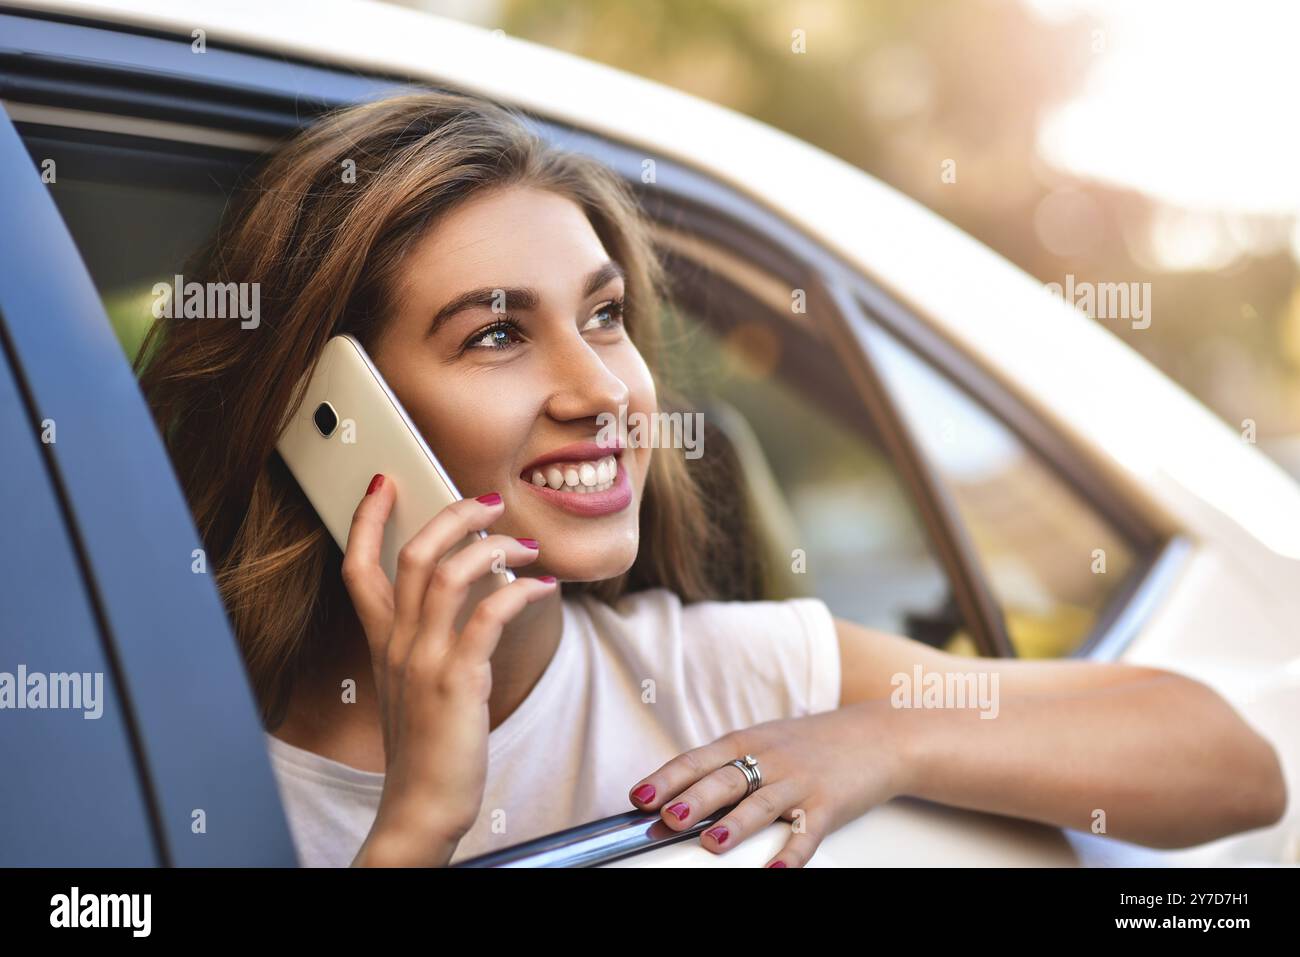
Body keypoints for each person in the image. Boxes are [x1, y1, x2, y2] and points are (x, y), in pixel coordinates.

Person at [136, 90, 1286, 867]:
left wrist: (879, 739)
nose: (602, 389)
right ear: (332, 413)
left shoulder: (713, 675)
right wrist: (419, 827)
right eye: (495, 334)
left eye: (605, 316)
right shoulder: (159, 773)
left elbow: (1228, 765)